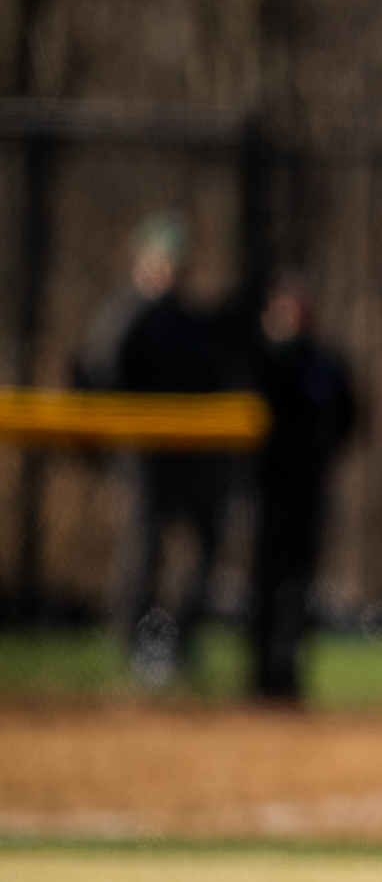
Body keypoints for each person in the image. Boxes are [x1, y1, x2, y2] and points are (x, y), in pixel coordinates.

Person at [97, 210, 233, 688]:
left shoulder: (194, 321)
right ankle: (136, 648)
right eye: (161, 262)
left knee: (202, 547)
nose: (170, 272)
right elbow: (99, 378)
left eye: (177, 264)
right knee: (145, 548)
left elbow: (215, 377)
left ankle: (174, 646)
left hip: (193, 453)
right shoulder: (126, 317)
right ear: (142, 262)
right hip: (143, 453)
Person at [247, 270, 356, 702]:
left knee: (298, 582)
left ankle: (288, 671)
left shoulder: (324, 361)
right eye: (287, 307)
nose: (296, 315)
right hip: (263, 485)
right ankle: (259, 676)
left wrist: (325, 453)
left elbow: (348, 416)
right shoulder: (261, 360)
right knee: (264, 578)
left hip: (308, 483)